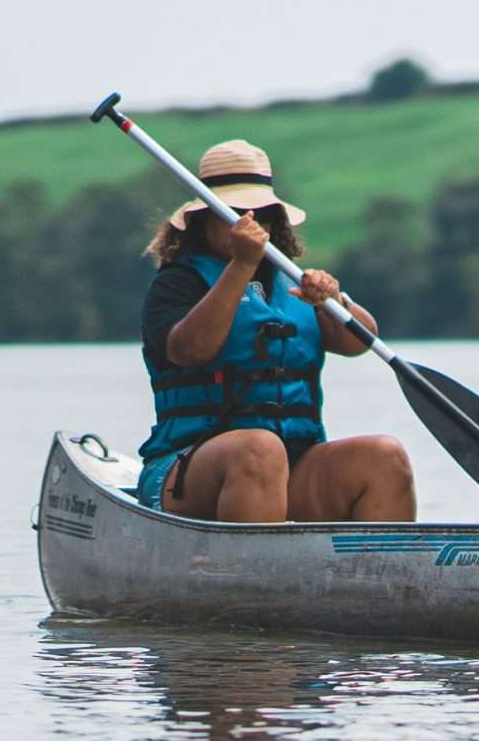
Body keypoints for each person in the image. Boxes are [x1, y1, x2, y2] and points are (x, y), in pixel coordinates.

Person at [136, 139, 416, 523]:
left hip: (291, 464)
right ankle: (251, 579)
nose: (252, 224)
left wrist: (332, 301)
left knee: (385, 456)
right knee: (259, 449)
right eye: (234, 213)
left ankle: (380, 579)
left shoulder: (292, 281)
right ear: (203, 219)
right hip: (188, 468)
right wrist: (240, 266)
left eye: (262, 213)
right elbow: (190, 350)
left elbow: (359, 342)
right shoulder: (176, 283)